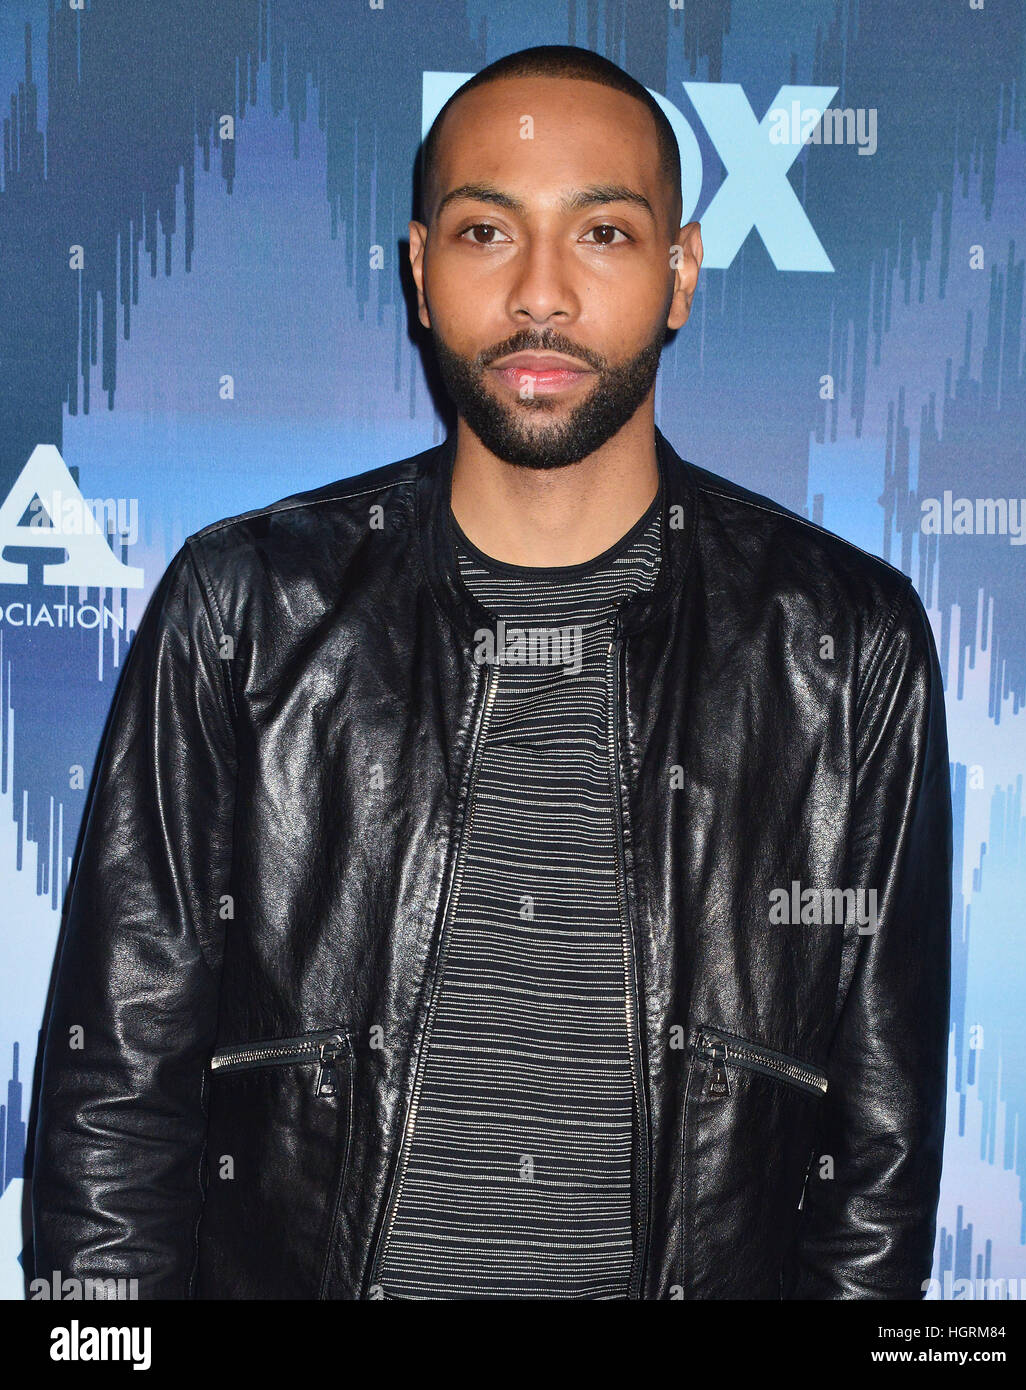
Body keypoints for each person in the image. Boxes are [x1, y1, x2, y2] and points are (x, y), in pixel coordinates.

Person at [30, 44, 952, 1300]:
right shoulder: (247, 606)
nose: (540, 295)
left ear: (680, 273)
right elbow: (118, 1096)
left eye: (605, 236)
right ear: (420, 273)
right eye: (484, 232)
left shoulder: (845, 644)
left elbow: (877, 1154)